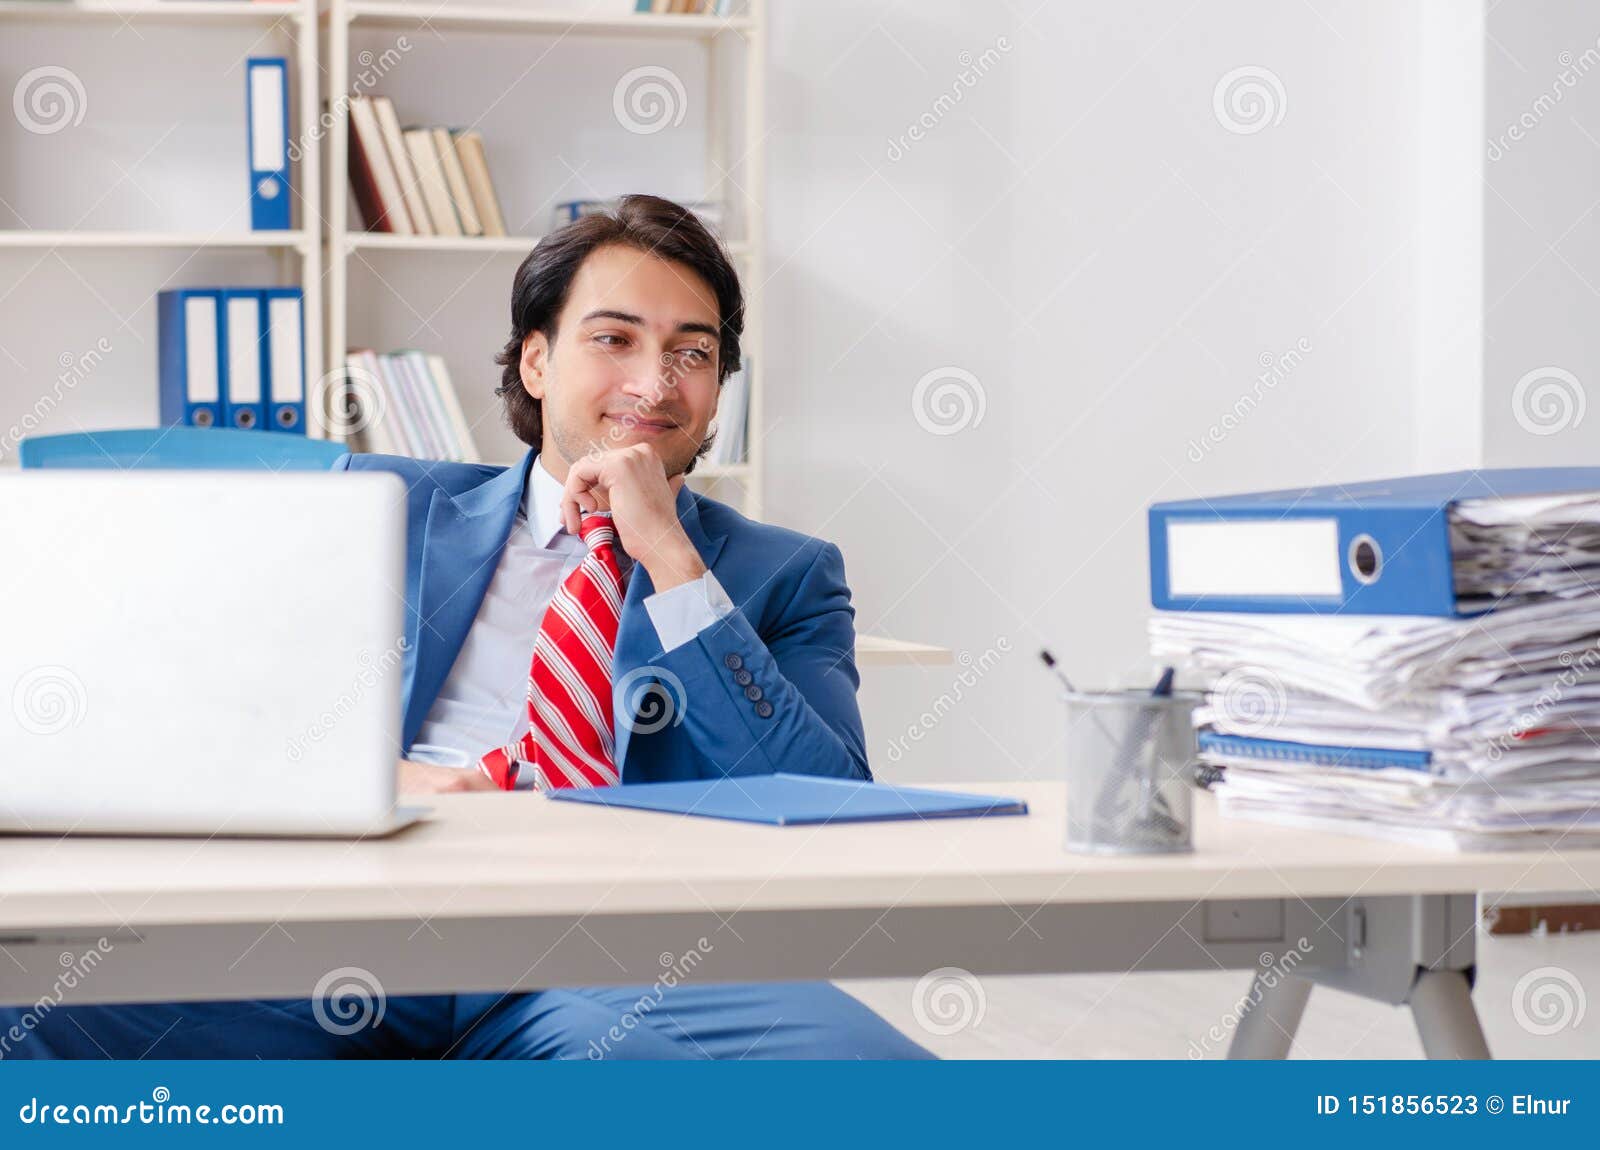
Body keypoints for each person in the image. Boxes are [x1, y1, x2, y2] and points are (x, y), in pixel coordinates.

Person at [3, 195, 931, 1061]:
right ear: (536, 361)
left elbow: (830, 805)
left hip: (614, 955)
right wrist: (375, 777)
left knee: (866, 1082)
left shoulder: (786, 573)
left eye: (693, 353)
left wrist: (672, 564)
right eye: (614, 339)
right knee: (32, 1003)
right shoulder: (387, 508)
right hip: (358, 926)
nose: (655, 382)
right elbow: (203, 721)